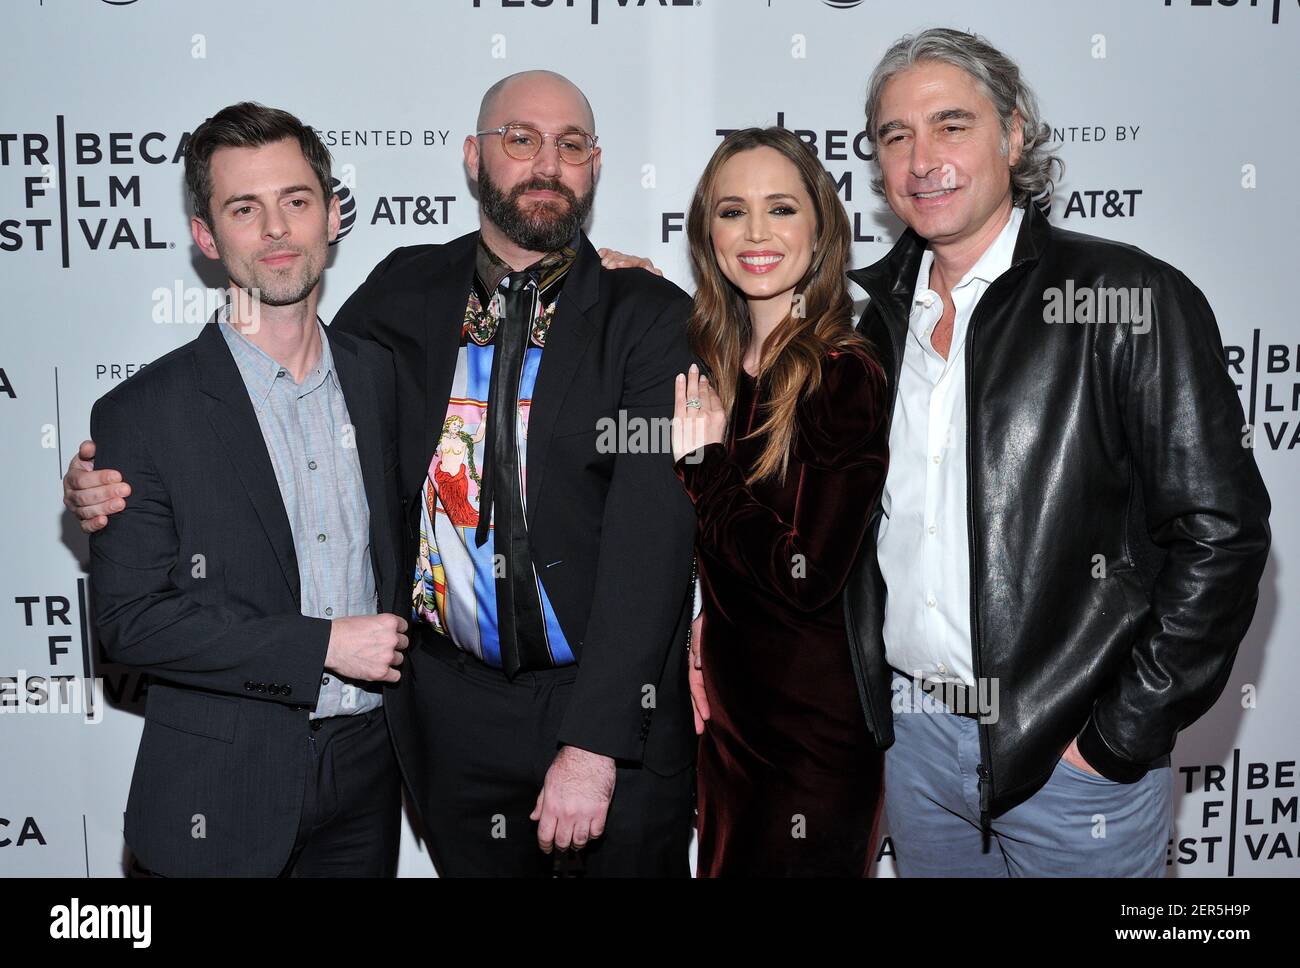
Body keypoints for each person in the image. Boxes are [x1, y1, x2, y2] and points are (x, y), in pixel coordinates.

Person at [65, 72, 696, 878]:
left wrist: (595, 743)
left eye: (569, 145)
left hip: (601, 713)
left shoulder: (649, 316)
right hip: (447, 720)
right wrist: (101, 484)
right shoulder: (403, 293)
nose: (545, 163)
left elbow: (653, 546)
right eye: (519, 139)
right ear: (474, 158)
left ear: (595, 166)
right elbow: (268, 364)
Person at [844, 28, 1271, 876]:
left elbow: (1221, 534)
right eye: (896, 135)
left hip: (1069, 759)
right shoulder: (872, 322)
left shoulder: (1126, 297)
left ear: (1014, 134)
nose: (922, 158)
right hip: (915, 744)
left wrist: (1117, 738)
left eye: (951, 125)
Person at [83, 103, 409, 876]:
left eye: (296, 201)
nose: (275, 230)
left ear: (333, 215)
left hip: (367, 780)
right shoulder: (143, 413)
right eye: (244, 208)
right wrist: (322, 644)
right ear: (206, 235)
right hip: (216, 794)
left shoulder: (385, 378)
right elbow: (129, 624)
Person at [671, 127, 888, 876]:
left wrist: (703, 468)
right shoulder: (722, 366)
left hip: (810, 746)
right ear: (707, 233)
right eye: (733, 211)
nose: (756, 234)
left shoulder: (841, 373)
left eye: (782, 209)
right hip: (731, 731)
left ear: (822, 228)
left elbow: (806, 572)